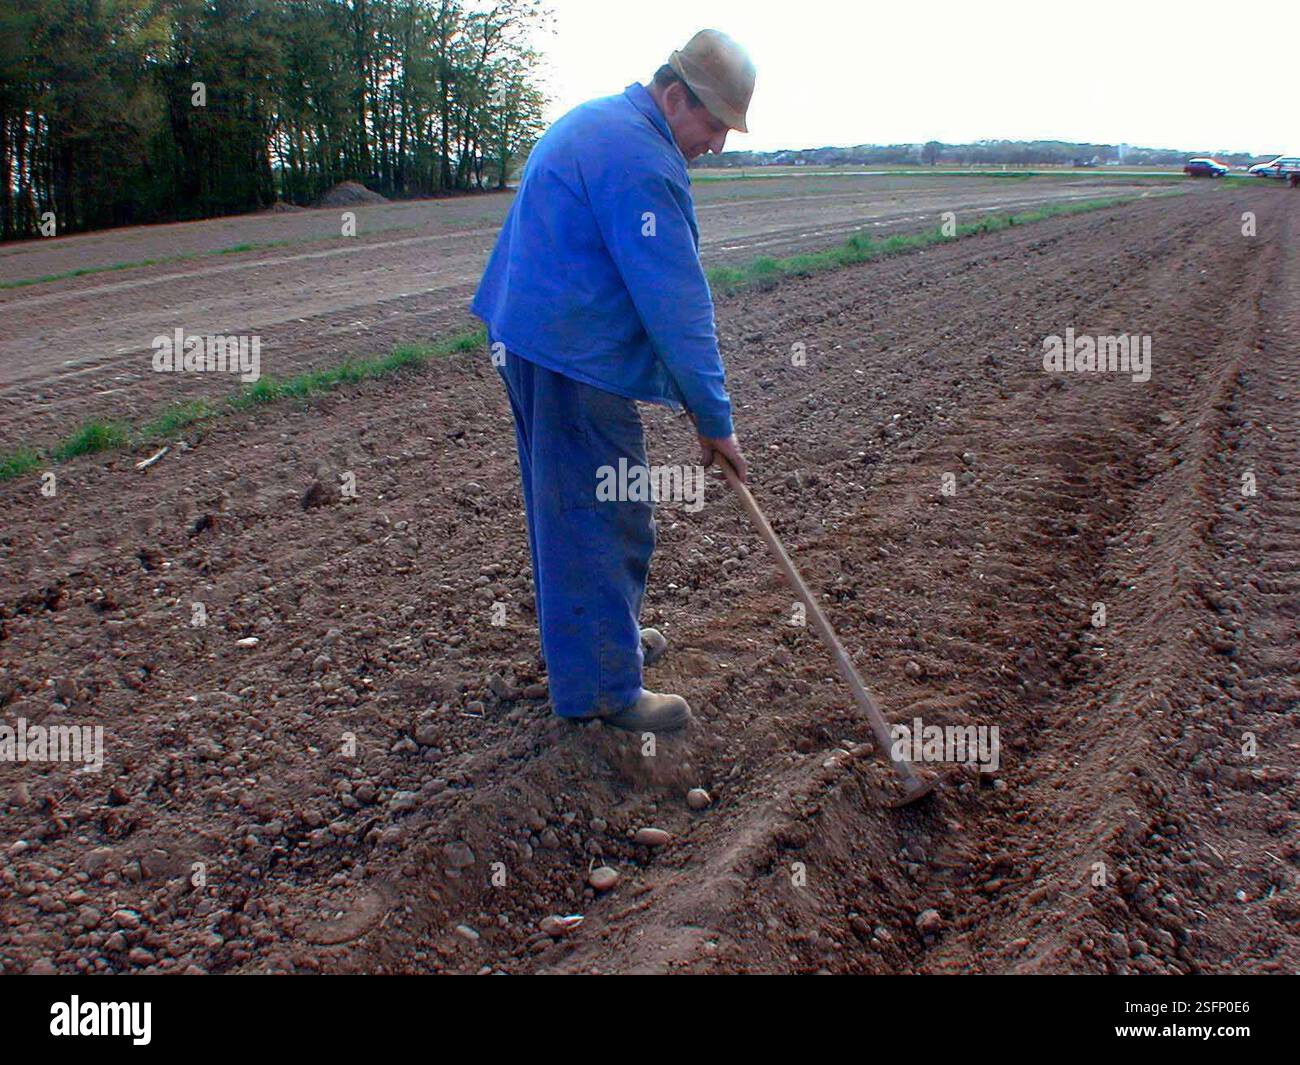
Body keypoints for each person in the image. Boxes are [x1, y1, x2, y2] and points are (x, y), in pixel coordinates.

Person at [471, 29, 756, 732]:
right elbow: (677, 302)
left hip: (534, 340)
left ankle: (605, 646)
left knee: (571, 513)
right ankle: (603, 689)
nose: (717, 144)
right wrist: (713, 418)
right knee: (605, 515)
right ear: (673, 95)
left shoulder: (602, 121)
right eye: (714, 124)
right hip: (569, 358)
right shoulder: (641, 160)